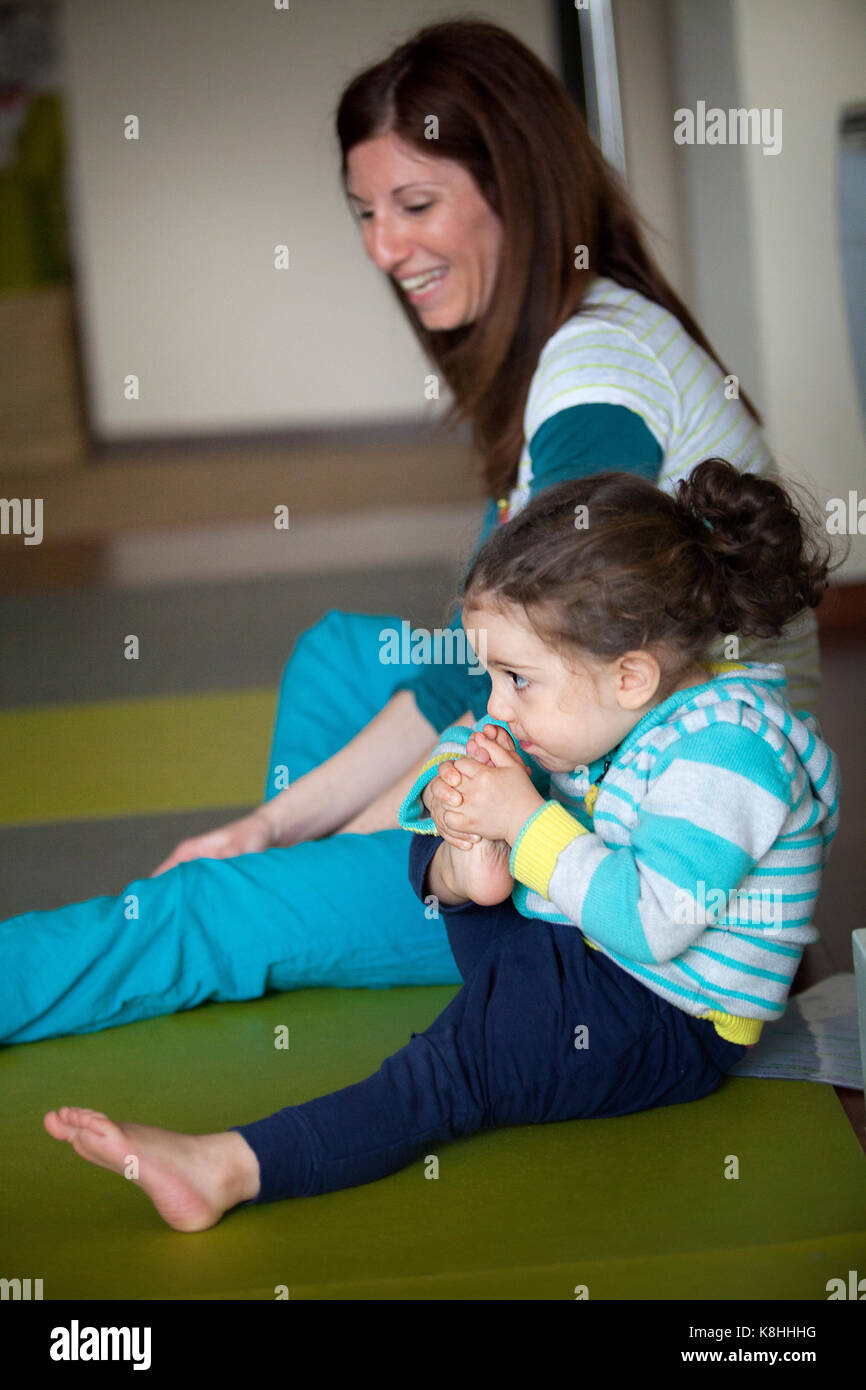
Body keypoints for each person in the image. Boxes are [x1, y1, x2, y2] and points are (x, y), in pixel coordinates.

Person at [4, 19, 821, 1045]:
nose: (384, 247)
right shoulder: (581, 335)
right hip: (600, 740)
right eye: (364, 212)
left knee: (190, 914)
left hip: (652, 862)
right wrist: (270, 829)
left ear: (514, 189)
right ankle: (331, 903)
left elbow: (534, 678)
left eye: (415, 204)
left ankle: (306, 915)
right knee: (342, 654)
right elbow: (487, 670)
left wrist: (299, 858)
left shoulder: (591, 386)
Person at [43, 458, 841, 1230]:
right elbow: (474, 753)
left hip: (669, 1021)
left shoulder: (728, 753)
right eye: (492, 675)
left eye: (517, 680)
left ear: (630, 675)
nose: (500, 704)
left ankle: (227, 1167)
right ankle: (471, 873)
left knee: (446, 1077)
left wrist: (524, 819)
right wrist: (458, 814)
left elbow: (653, 925)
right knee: (439, 831)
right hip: (585, 957)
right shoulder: (604, 712)